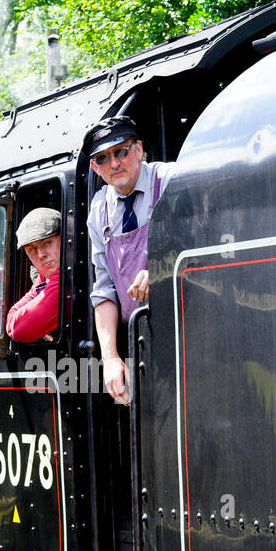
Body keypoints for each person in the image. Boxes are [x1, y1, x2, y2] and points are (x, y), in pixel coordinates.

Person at [84, 116, 172, 404]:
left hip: (187, 329)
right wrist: (110, 358)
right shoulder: (99, 210)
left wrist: (162, 268)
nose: (114, 163)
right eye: (103, 158)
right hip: (141, 339)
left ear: (139, 150)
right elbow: (104, 289)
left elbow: (209, 244)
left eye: (121, 151)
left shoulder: (171, 181)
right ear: (95, 167)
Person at [6, 208, 62, 343]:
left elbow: (19, 329)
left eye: (47, 242)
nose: (41, 254)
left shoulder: (64, 279)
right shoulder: (45, 278)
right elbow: (12, 318)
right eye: (32, 249)